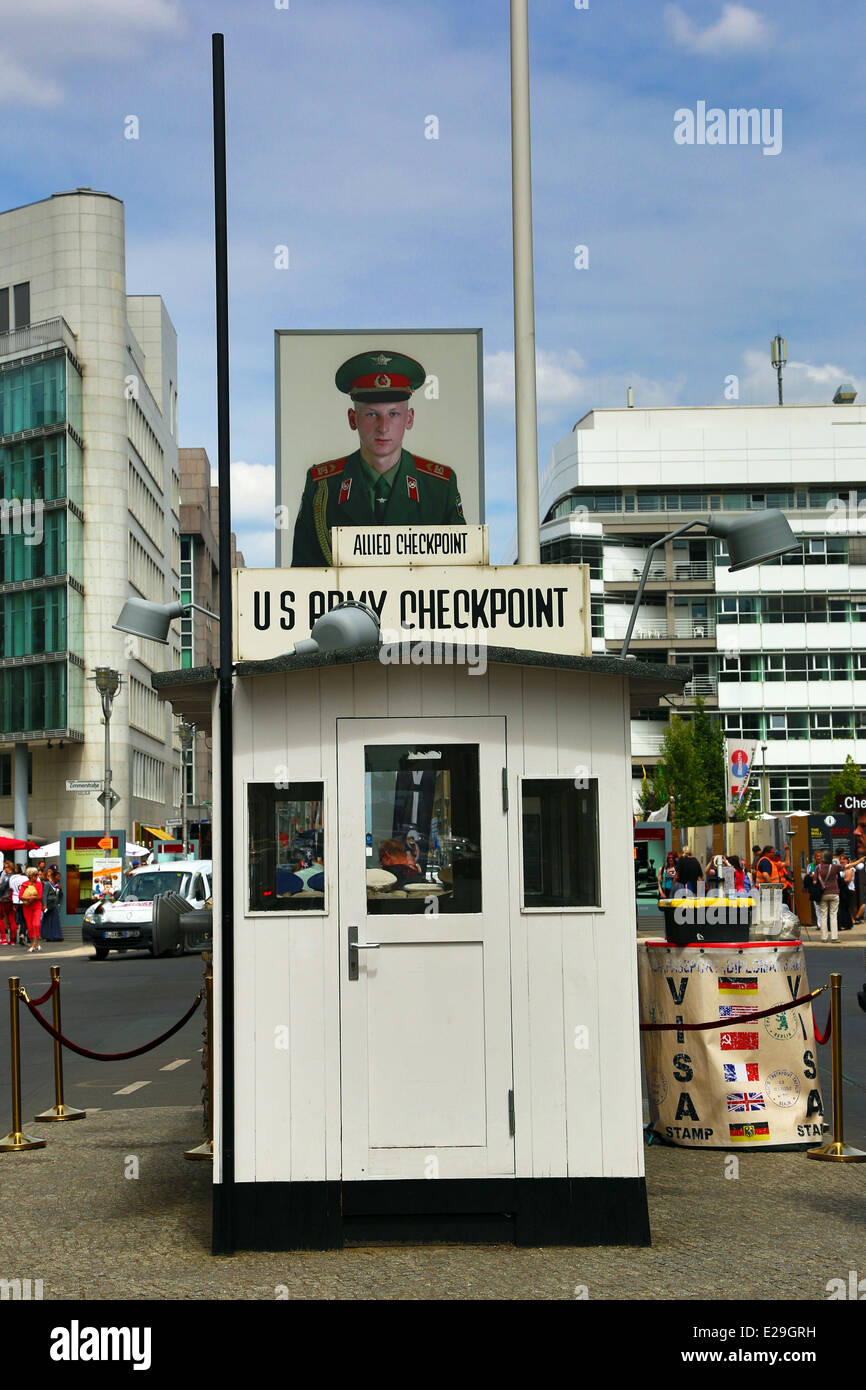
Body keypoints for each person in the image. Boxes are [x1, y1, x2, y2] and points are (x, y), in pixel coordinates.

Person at [291, 350, 465, 566]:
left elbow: (462, 575)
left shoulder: (439, 487)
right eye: (371, 414)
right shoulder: (323, 487)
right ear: (352, 419)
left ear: (409, 419)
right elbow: (301, 576)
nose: (383, 427)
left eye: (393, 414)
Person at [812, 851, 842, 943]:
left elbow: (814, 882)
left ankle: (824, 938)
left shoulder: (818, 867)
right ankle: (834, 937)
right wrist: (858, 861)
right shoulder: (835, 867)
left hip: (823, 894)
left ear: (822, 858)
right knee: (833, 915)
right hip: (834, 893)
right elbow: (846, 867)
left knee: (823, 915)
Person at [20, 866, 43, 952]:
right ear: (30, 875)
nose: (37, 876)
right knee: (30, 927)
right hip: (27, 907)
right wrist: (30, 898)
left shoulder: (39, 884)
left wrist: (30, 897)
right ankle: (32, 945)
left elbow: (40, 896)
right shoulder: (24, 884)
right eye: (35, 875)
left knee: (36, 924)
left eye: (37, 875)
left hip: (37, 906)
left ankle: (38, 943)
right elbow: (20, 896)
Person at [40, 866, 63, 942]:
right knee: (47, 920)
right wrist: (44, 905)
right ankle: (46, 936)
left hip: (55, 905)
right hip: (49, 905)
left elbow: (60, 895)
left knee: (55, 920)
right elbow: (44, 895)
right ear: (54, 877)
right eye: (58, 876)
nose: (59, 878)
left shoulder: (58, 884)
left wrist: (60, 889)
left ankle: (56, 936)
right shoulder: (47, 884)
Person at [9, 862, 29, 945]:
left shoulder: (12, 878)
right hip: (24, 900)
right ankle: (22, 934)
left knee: (17, 919)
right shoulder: (25, 878)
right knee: (24, 919)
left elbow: (11, 889)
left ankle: (17, 936)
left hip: (15, 900)